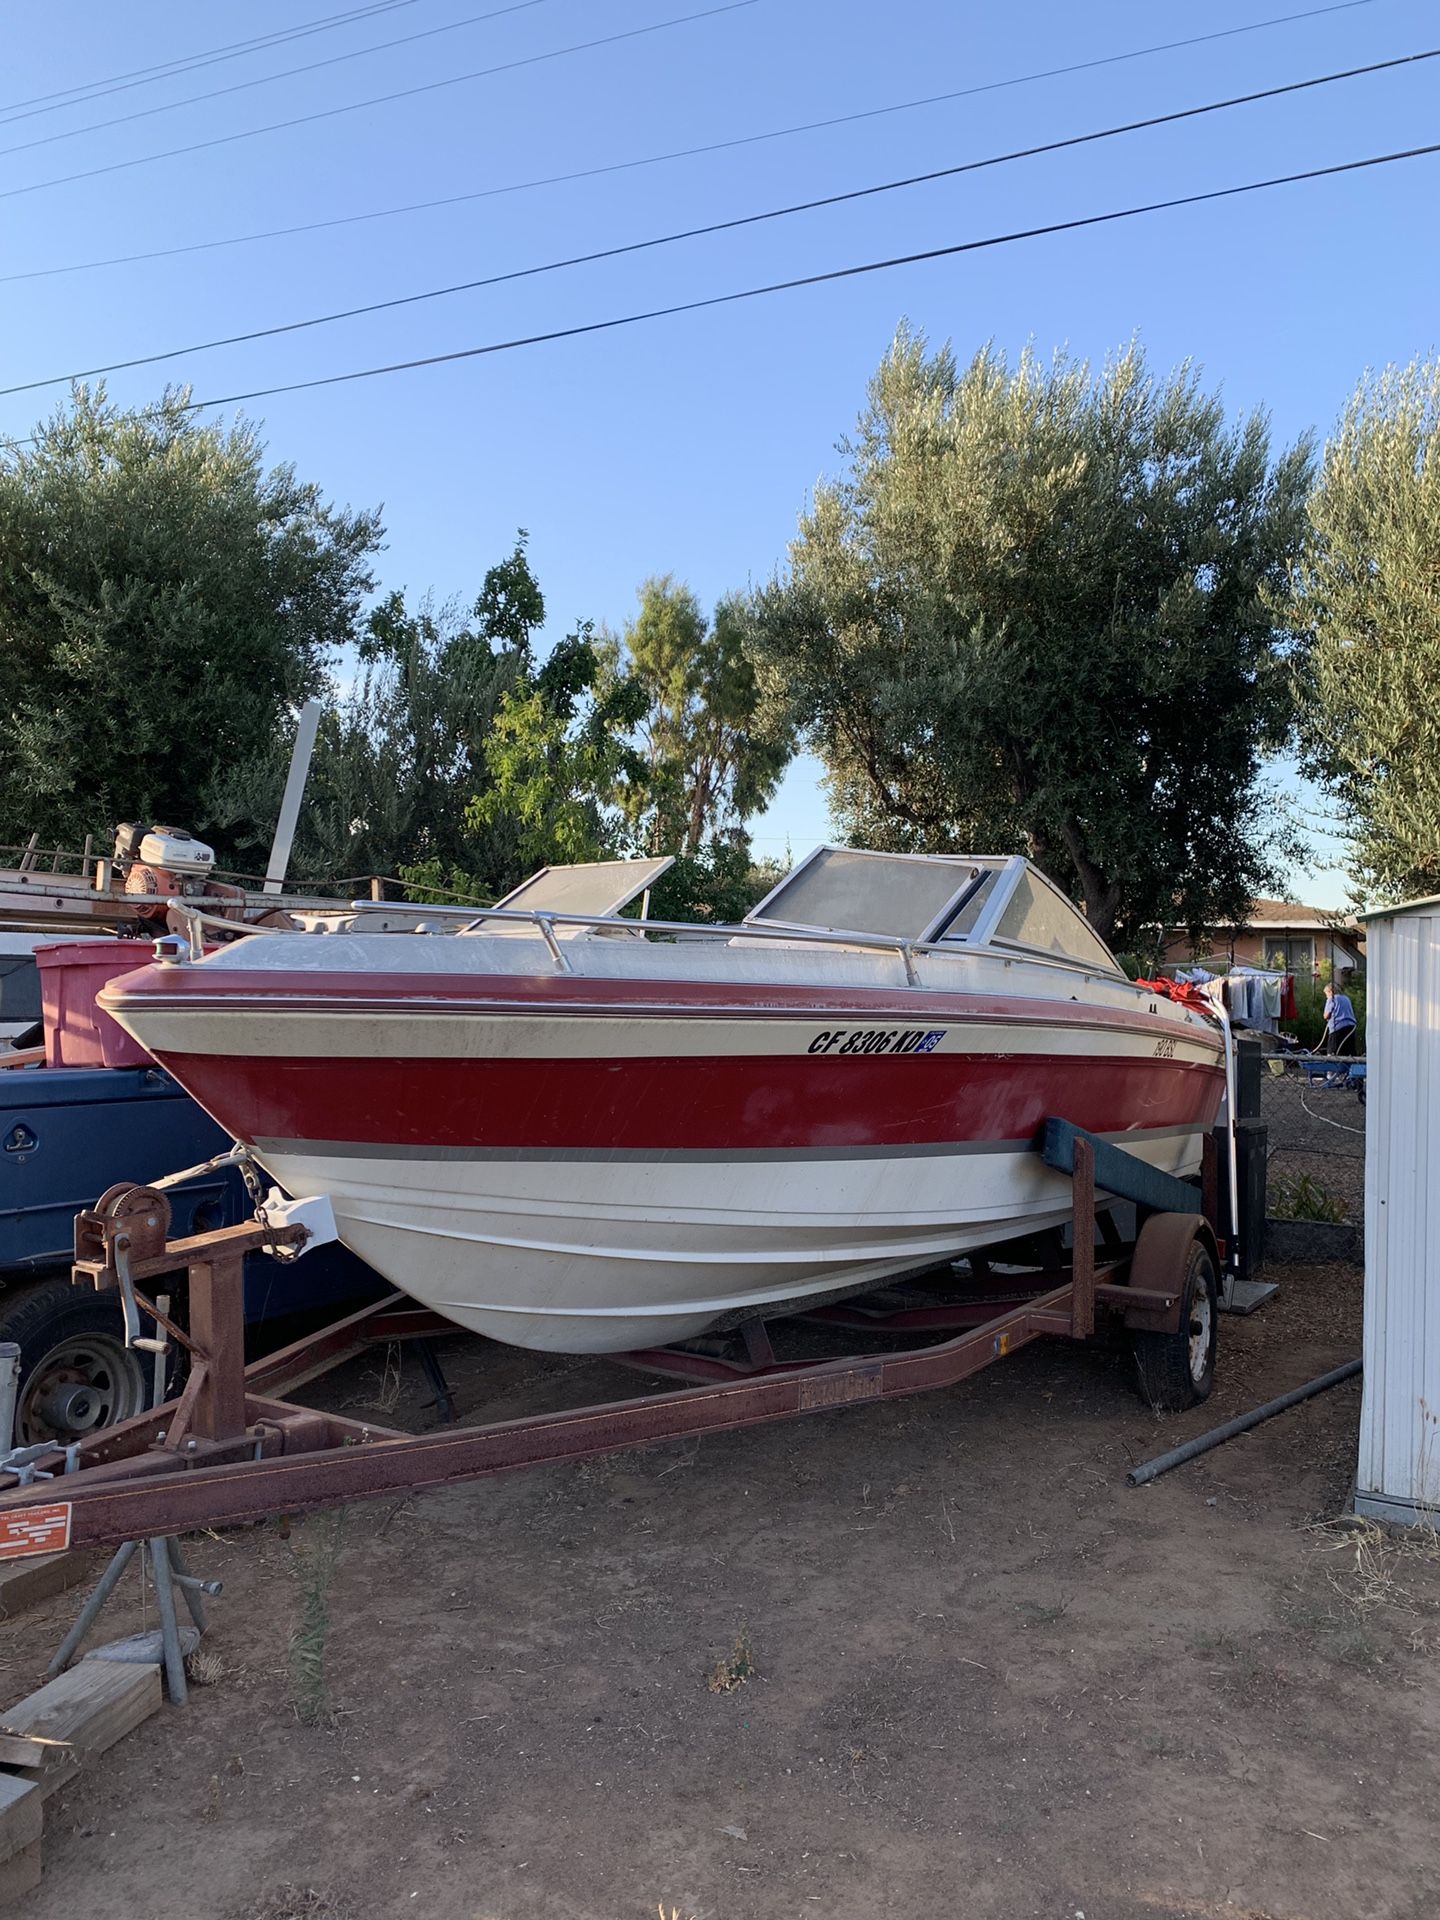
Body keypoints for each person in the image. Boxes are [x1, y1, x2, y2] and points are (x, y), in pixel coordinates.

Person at [1324, 980, 1358, 1072]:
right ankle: (1353, 1074)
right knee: (1350, 1052)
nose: (1326, 996)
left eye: (1326, 994)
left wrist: (1328, 1017)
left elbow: (1326, 1015)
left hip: (1337, 1028)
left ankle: (1330, 1075)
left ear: (1331, 991)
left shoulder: (1332, 999)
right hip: (1351, 1027)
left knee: (1332, 1052)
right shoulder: (1346, 998)